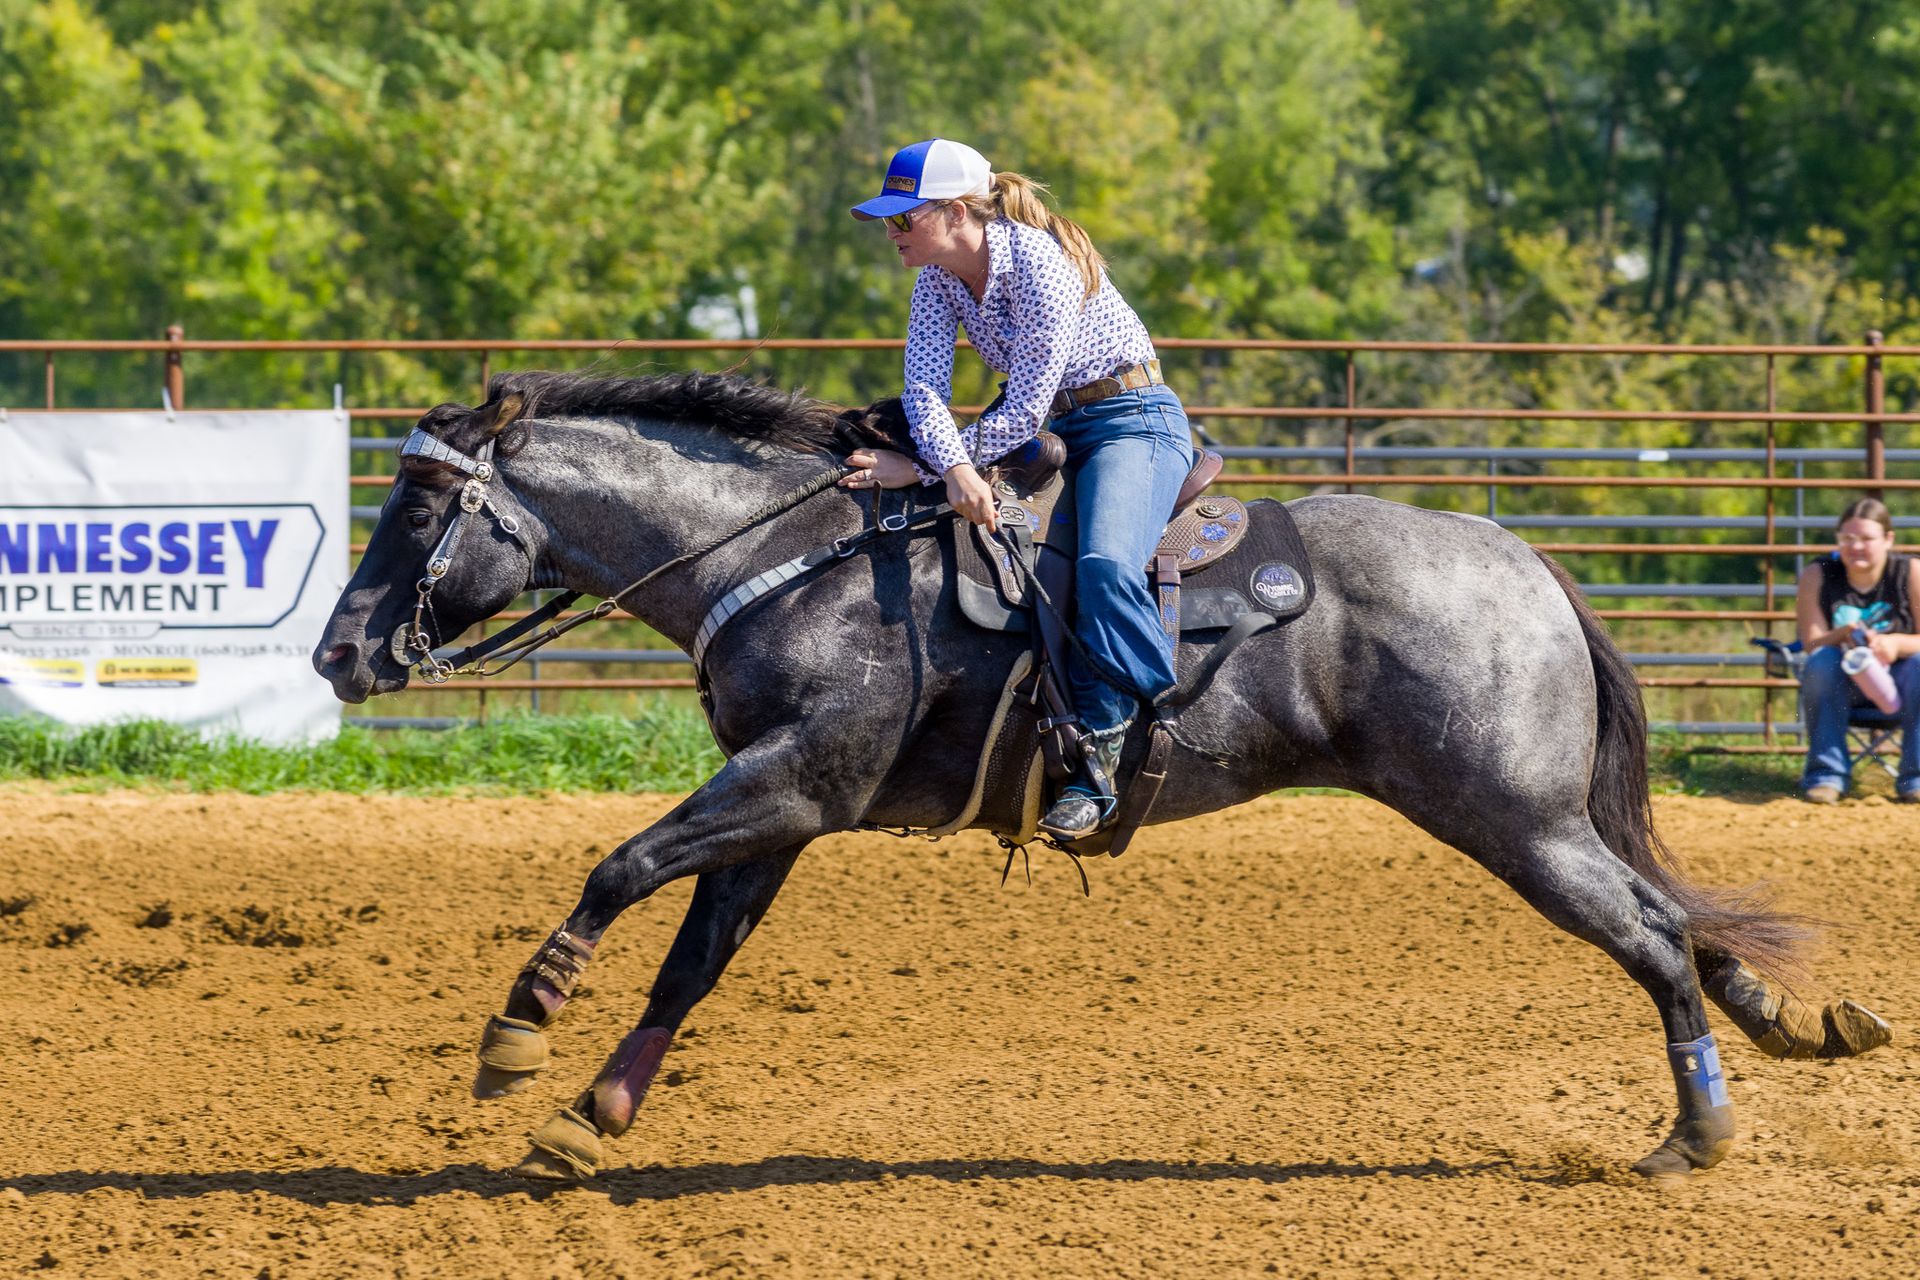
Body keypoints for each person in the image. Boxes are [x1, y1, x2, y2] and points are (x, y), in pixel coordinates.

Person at [839, 138, 1195, 839]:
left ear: (955, 211)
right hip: (1050, 429)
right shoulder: (938, 279)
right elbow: (924, 390)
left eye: (904, 218)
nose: (892, 233)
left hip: (1133, 422)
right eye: (889, 220)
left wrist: (935, 467)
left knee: (1102, 566)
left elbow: (1025, 407)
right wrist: (947, 465)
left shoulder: (1040, 264)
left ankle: (1111, 750)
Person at [1794, 496, 1920, 803]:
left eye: (1866, 538)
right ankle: (1827, 775)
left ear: (1888, 540)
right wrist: (1843, 635)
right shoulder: (1818, 574)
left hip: (1902, 683)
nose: (1856, 547)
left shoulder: (1911, 572)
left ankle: (1916, 779)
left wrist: (1894, 643)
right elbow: (1811, 642)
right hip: (1841, 682)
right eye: (1848, 538)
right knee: (1822, 660)